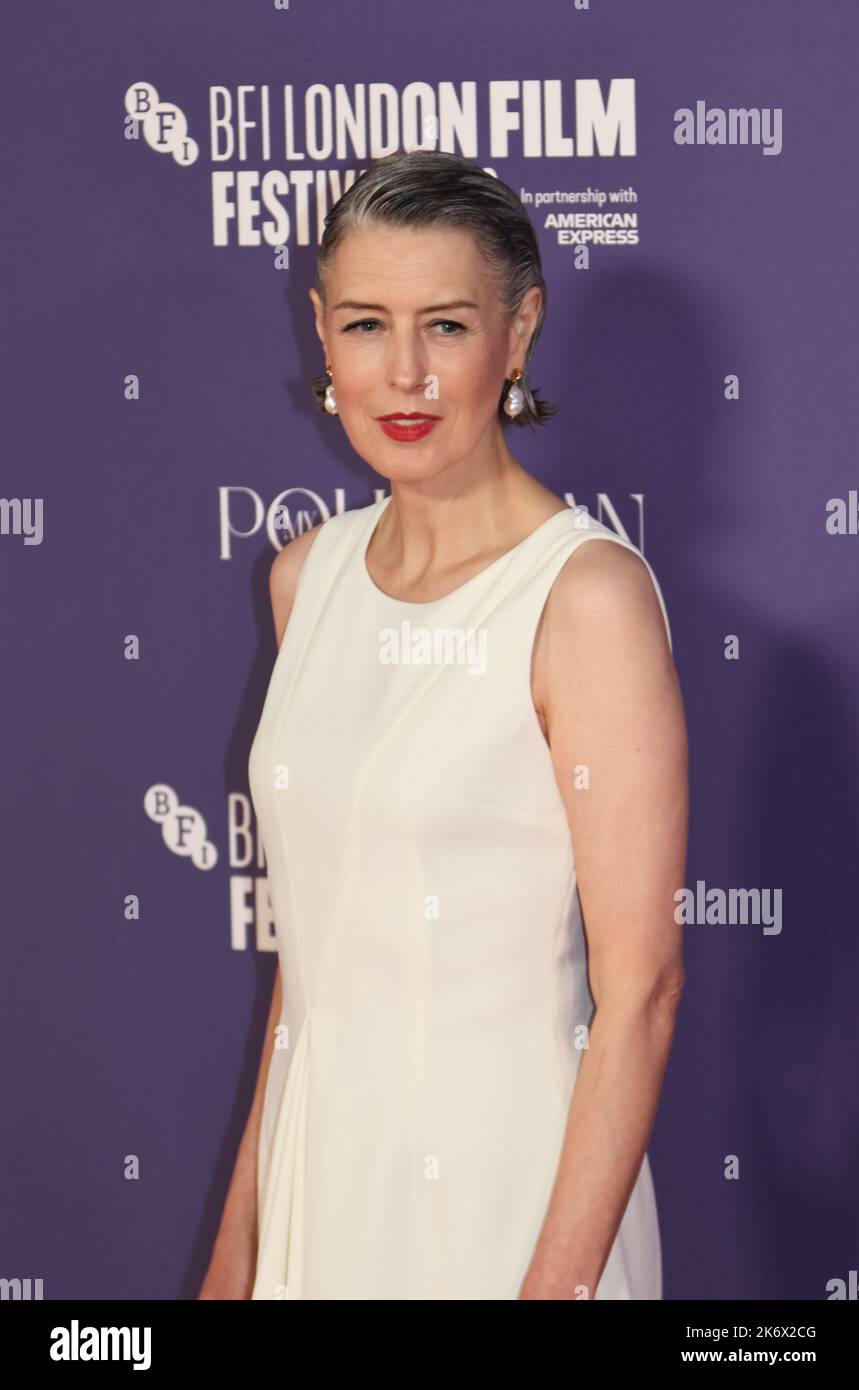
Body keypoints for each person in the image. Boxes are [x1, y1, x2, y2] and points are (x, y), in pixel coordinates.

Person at [199, 149, 688, 1301]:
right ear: (320, 333)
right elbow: (310, 962)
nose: (405, 375)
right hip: (324, 1191)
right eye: (368, 324)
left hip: (508, 1204)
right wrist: (240, 1247)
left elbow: (642, 995)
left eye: (448, 327)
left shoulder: (584, 598)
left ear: (517, 334)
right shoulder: (303, 577)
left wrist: (551, 1292)